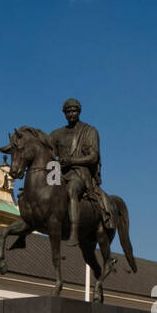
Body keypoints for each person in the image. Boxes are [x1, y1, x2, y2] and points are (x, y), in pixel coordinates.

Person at [49, 98, 112, 245]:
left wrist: (72, 160)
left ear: (79, 111)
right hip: (59, 172)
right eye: (68, 111)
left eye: (74, 111)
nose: (71, 114)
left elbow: (93, 156)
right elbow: (45, 149)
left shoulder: (90, 131)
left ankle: (74, 233)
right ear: (64, 113)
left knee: (71, 190)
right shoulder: (56, 134)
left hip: (80, 173)